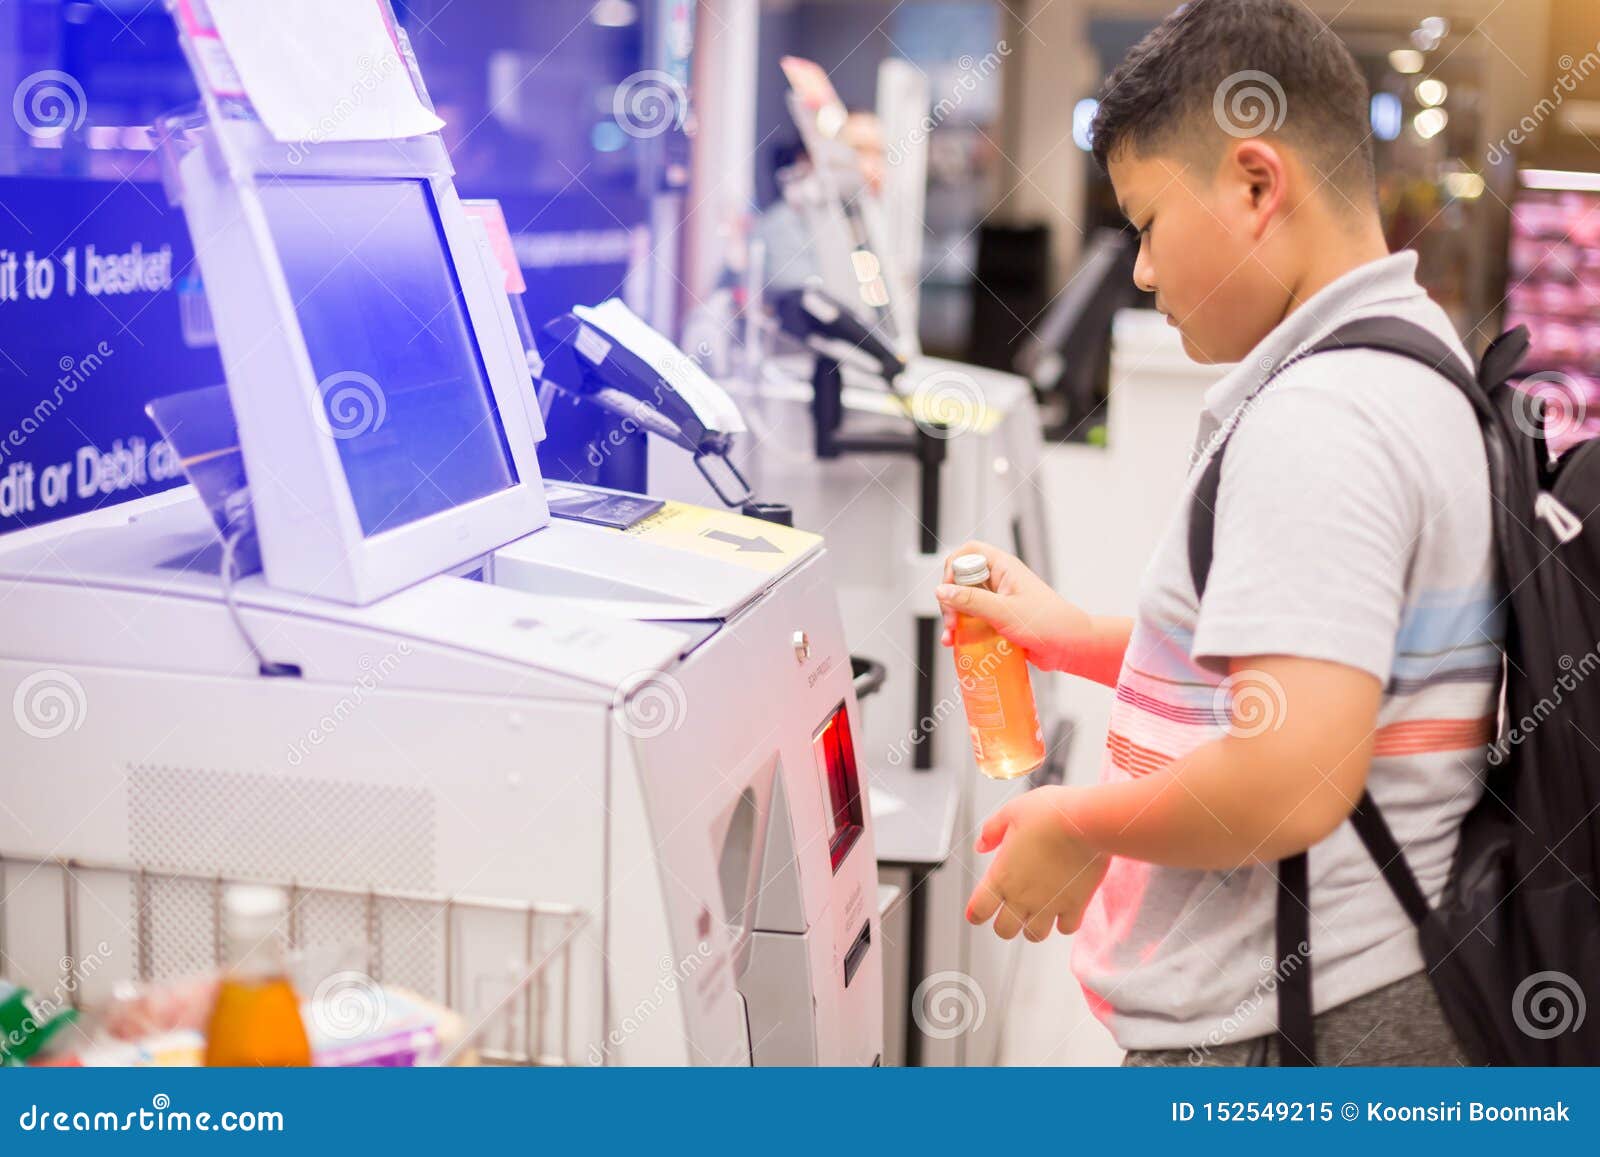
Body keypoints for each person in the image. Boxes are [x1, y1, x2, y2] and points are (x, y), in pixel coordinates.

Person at [935, 0, 1502, 1066]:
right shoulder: (1406, 358)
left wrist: (1081, 821)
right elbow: (1297, 672)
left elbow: (1290, 771)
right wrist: (1073, 636)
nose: (1142, 271)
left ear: (1254, 182)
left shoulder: (1322, 421)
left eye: (1146, 224)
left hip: (1289, 1031)